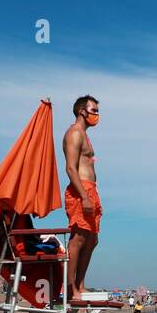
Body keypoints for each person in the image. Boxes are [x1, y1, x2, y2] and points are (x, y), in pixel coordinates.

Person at [62, 95, 102, 302]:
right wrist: (84, 196)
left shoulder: (85, 136)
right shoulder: (74, 133)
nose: (97, 115)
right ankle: (70, 288)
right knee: (78, 239)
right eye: (93, 110)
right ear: (81, 111)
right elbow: (70, 168)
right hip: (81, 191)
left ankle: (80, 284)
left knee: (92, 240)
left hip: (91, 190)